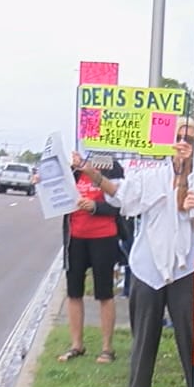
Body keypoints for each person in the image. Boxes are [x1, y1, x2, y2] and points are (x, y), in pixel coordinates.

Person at [95, 118, 194, 387]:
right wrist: (89, 171)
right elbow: (120, 194)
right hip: (148, 266)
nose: (183, 142)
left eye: (190, 139)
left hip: (187, 267)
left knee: (192, 337)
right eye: (179, 137)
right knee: (144, 334)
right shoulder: (150, 177)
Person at [55, 151, 126, 364]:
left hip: (103, 236)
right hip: (75, 237)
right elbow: (59, 195)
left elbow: (121, 203)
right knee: (74, 291)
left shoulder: (112, 167)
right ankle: (76, 344)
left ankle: (107, 348)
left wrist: (96, 207)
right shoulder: (74, 171)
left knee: (104, 292)